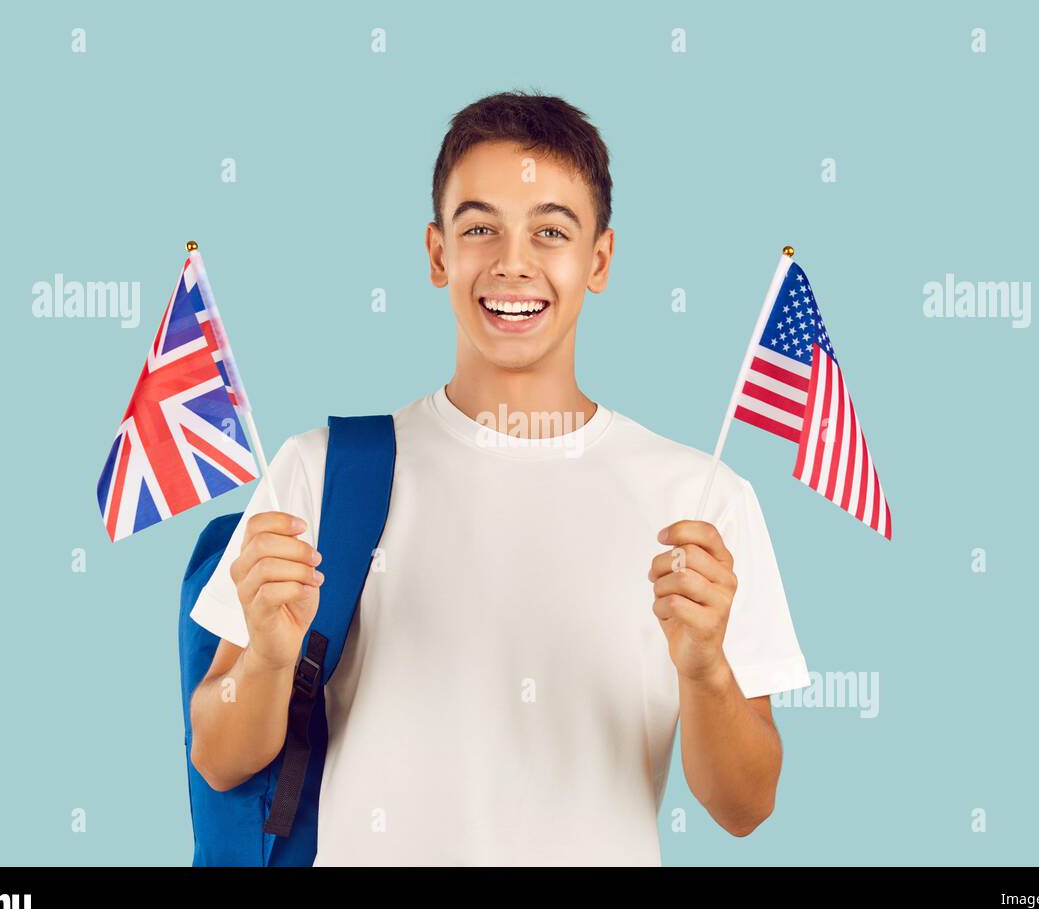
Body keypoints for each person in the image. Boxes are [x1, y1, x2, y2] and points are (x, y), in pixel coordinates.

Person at [186, 90, 811, 866]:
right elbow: (217, 754)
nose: (513, 262)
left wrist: (707, 668)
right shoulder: (321, 471)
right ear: (438, 253)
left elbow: (746, 807)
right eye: (480, 228)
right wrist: (270, 660)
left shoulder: (701, 502)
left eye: (551, 231)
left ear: (600, 260)